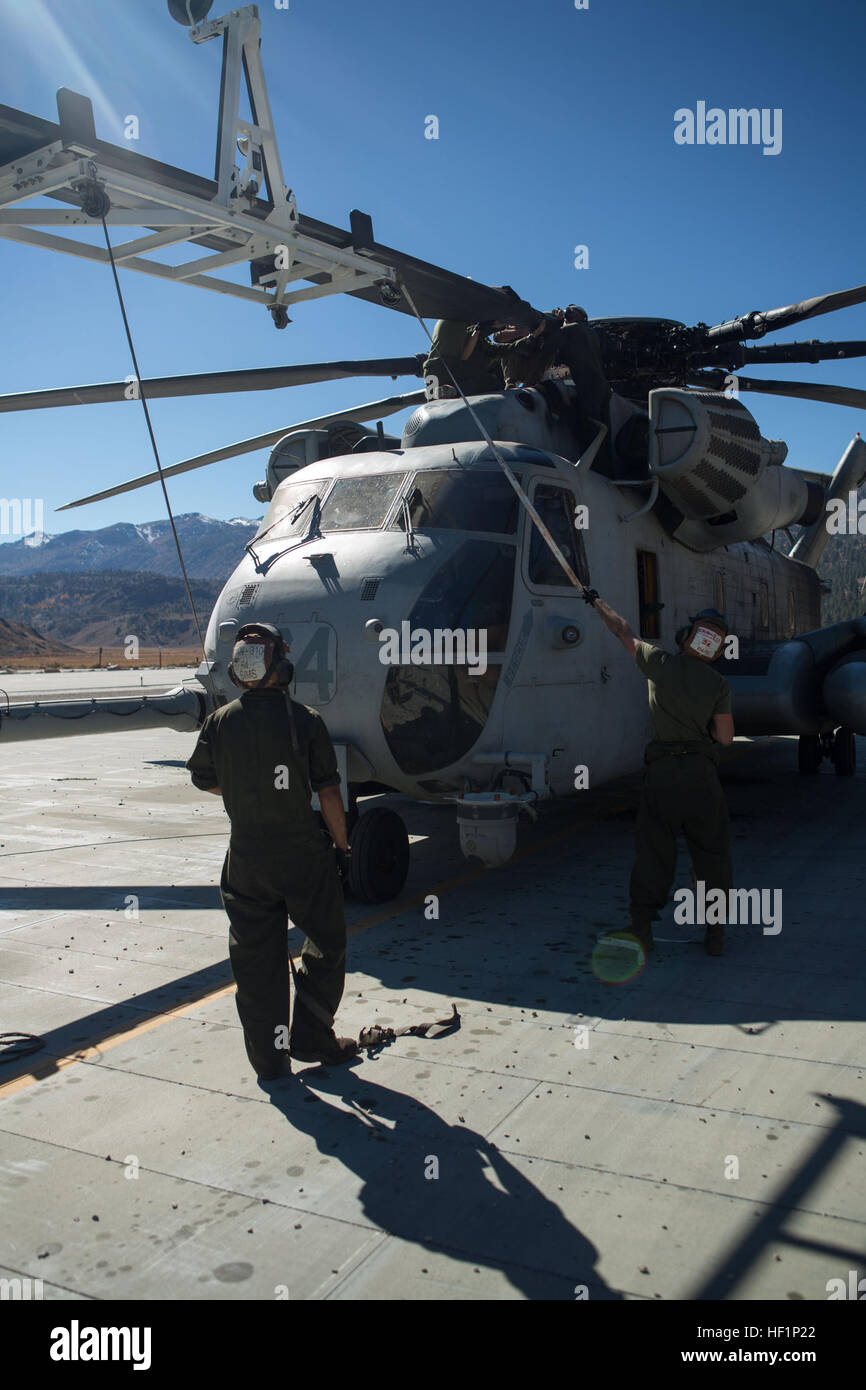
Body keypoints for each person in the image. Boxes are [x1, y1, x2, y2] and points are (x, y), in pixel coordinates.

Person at [186, 621, 357, 1078]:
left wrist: (247, 791)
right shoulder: (306, 721)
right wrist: (342, 845)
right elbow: (328, 795)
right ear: (280, 666)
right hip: (302, 856)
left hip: (245, 861)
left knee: (255, 961)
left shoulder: (219, 722)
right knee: (327, 942)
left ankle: (268, 1061)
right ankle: (312, 1036)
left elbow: (205, 779)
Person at [583, 596, 735, 957]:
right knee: (712, 853)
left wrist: (597, 603)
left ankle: (642, 928)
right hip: (701, 776)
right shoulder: (718, 684)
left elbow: (623, 631)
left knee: (654, 852)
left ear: (686, 636)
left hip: (663, 775)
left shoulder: (658, 663)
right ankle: (714, 934)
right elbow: (727, 738)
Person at [422, 319, 505, 398]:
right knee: (492, 383)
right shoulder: (463, 327)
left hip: (430, 370)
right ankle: (455, 391)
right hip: (448, 368)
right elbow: (465, 356)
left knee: (433, 404)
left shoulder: (441, 322)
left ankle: (436, 392)